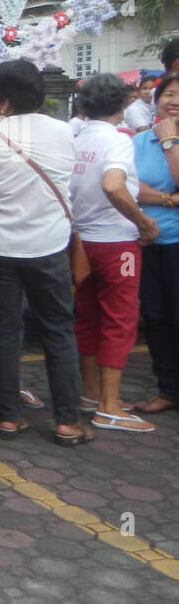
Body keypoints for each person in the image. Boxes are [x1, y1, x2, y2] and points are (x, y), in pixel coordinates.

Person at [0, 60, 90, 445]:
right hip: (49, 247)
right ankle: (68, 422)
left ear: (2, 102)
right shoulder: (64, 131)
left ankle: (9, 418)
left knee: (4, 331)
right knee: (58, 329)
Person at [69, 74, 161, 432]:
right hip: (115, 241)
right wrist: (143, 223)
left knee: (88, 317)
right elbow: (113, 185)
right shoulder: (118, 140)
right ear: (123, 105)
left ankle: (91, 392)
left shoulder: (75, 138)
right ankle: (109, 406)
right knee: (119, 322)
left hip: (81, 241)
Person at [133, 70, 179, 415]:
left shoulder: (162, 141)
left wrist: (169, 142)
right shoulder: (137, 141)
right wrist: (169, 199)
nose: (174, 101)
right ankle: (168, 389)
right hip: (149, 240)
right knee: (157, 316)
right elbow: (129, 187)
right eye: (168, 94)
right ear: (156, 99)